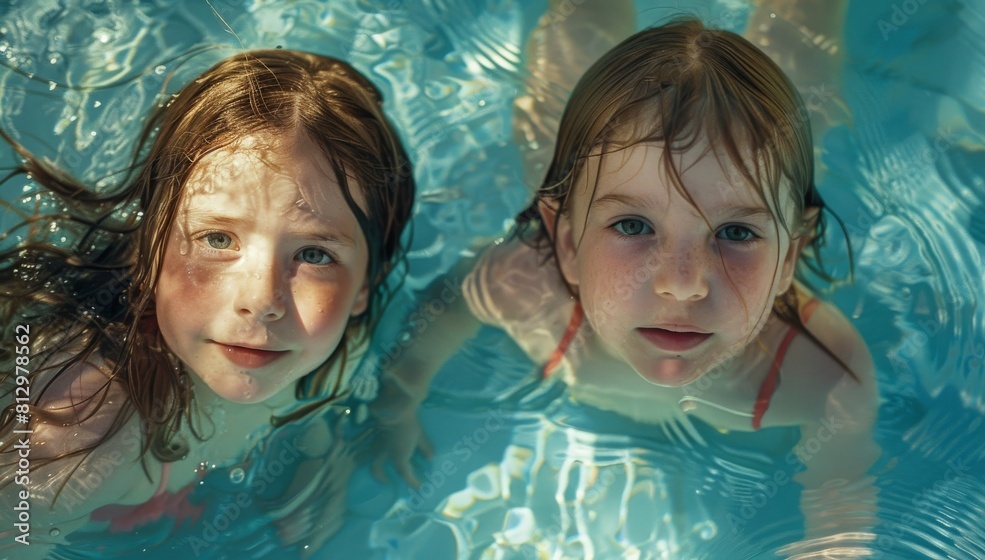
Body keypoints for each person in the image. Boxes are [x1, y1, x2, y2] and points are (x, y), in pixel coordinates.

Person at [371, 16, 880, 555]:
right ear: (565, 246)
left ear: (788, 262)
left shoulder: (823, 375)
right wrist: (396, 404)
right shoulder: (524, 286)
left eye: (735, 232)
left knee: (803, 63)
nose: (682, 284)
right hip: (568, 178)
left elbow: (839, 497)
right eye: (634, 226)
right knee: (560, 101)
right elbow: (445, 311)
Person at [0, 49, 414, 558]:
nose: (262, 301)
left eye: (313, 254)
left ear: (365, 288)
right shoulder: (82, 430)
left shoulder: (332, 340)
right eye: (218, 239)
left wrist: (320, 458)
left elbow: (307, 405)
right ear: (150, 248)